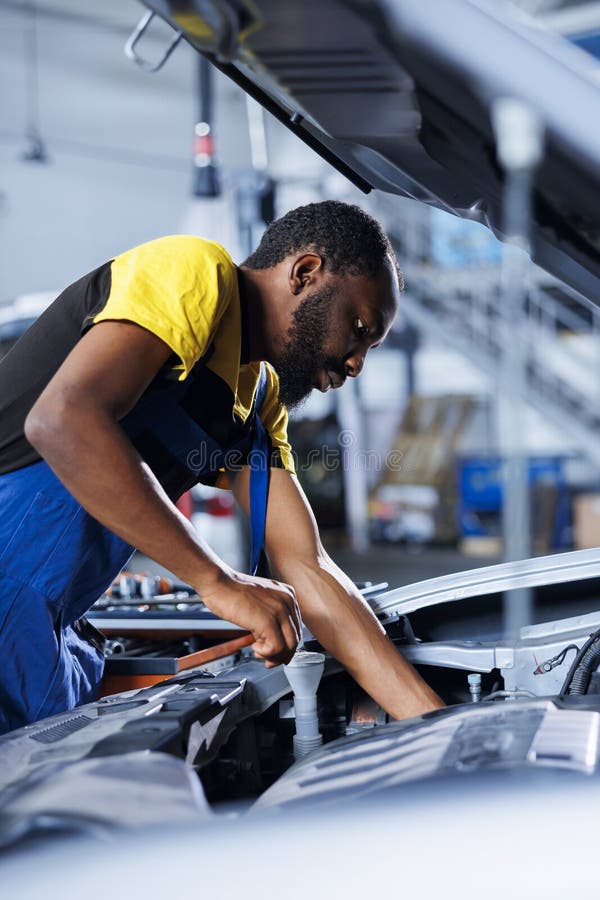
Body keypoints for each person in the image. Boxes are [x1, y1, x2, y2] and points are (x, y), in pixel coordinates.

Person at [0, 200, 443, 734]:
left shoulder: (256, 397)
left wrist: (436, 724)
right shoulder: (195, 271)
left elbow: (308, 565)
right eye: (359, 328)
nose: (356, 363)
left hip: (35, 637)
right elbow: (64, 420)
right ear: (304, 273)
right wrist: (216, 581)